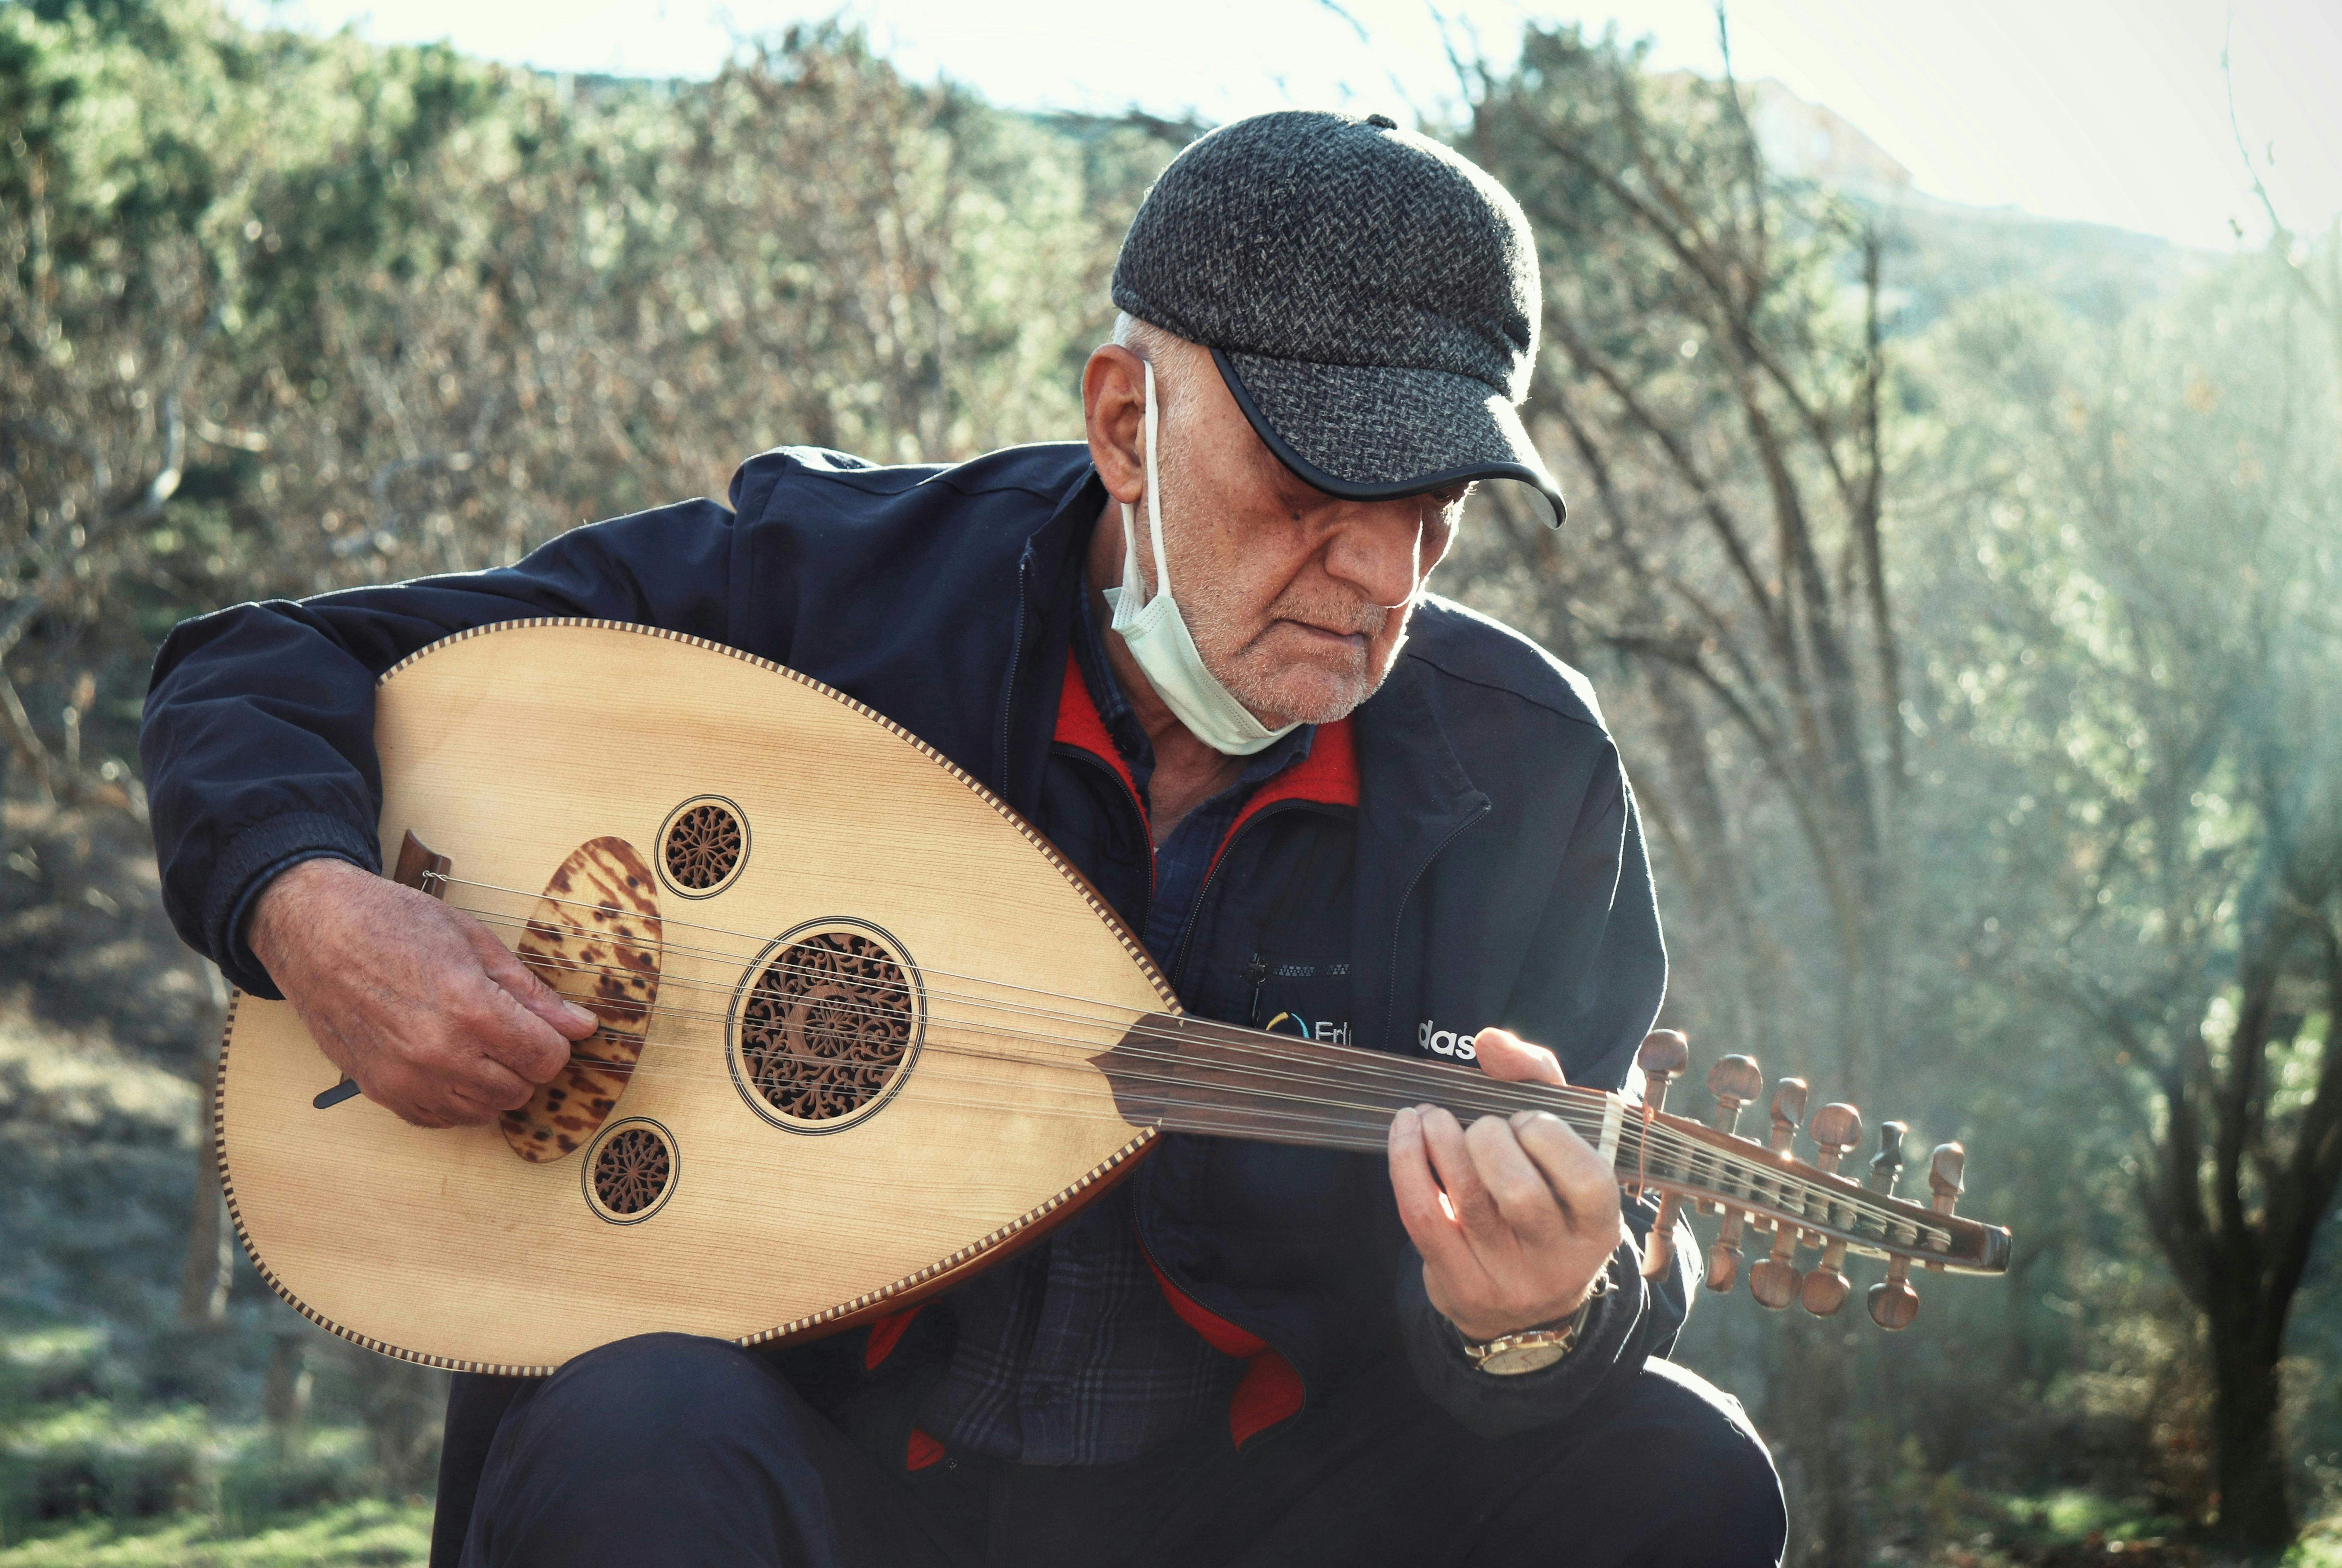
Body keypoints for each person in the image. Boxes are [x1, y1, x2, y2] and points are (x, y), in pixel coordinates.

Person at [143, 111, 1787, 1566]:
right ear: (1129, 425)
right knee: (636, 1428)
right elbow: (260, 668)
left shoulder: (1524, 774)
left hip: (1241, 1509)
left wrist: (1527, 1322)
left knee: (1679, 1473)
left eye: (1435, 512)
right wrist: (313, 905)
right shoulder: (825, 596)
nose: (1379, 581)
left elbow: (1566, 1275)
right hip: (818, 1468)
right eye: (1311, 490)